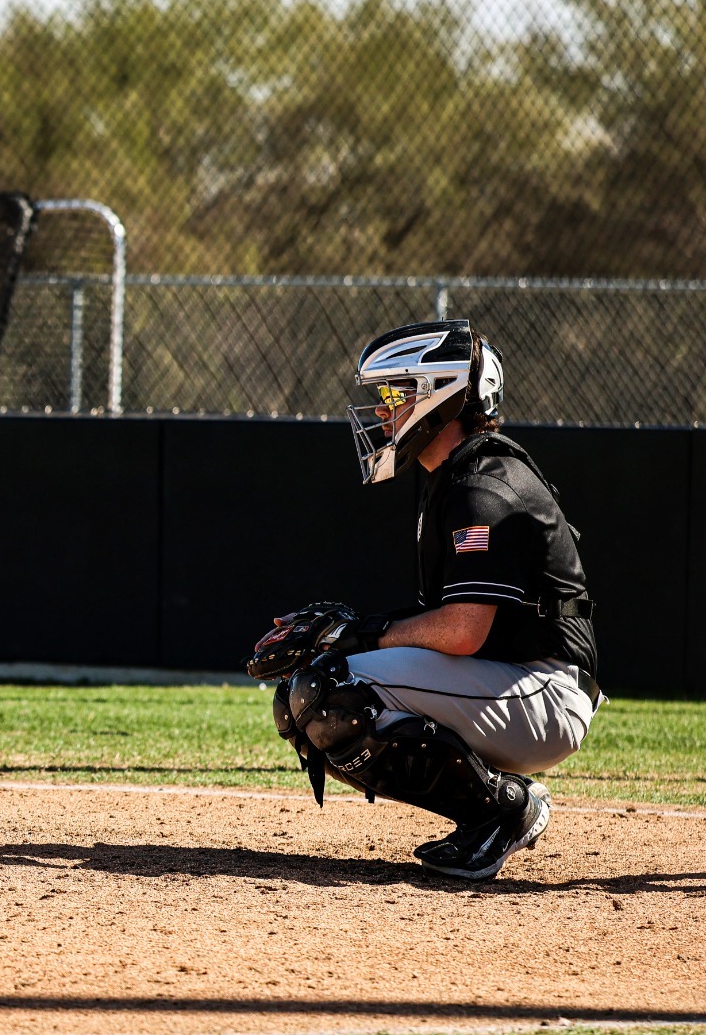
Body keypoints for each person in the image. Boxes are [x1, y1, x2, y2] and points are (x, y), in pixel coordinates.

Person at [252, 319, 601, 881]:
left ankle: (503, 811)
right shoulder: (456, 478)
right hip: (512, 680)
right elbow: (453, 633)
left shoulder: (483, 486)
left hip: (544, 692)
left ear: (436, 394)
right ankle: (494, 808)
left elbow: (463, 631)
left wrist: (356, 635)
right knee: (309, 689)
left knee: (329, 691)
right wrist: (351, 632)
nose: (385, 412)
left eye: (395, 395)